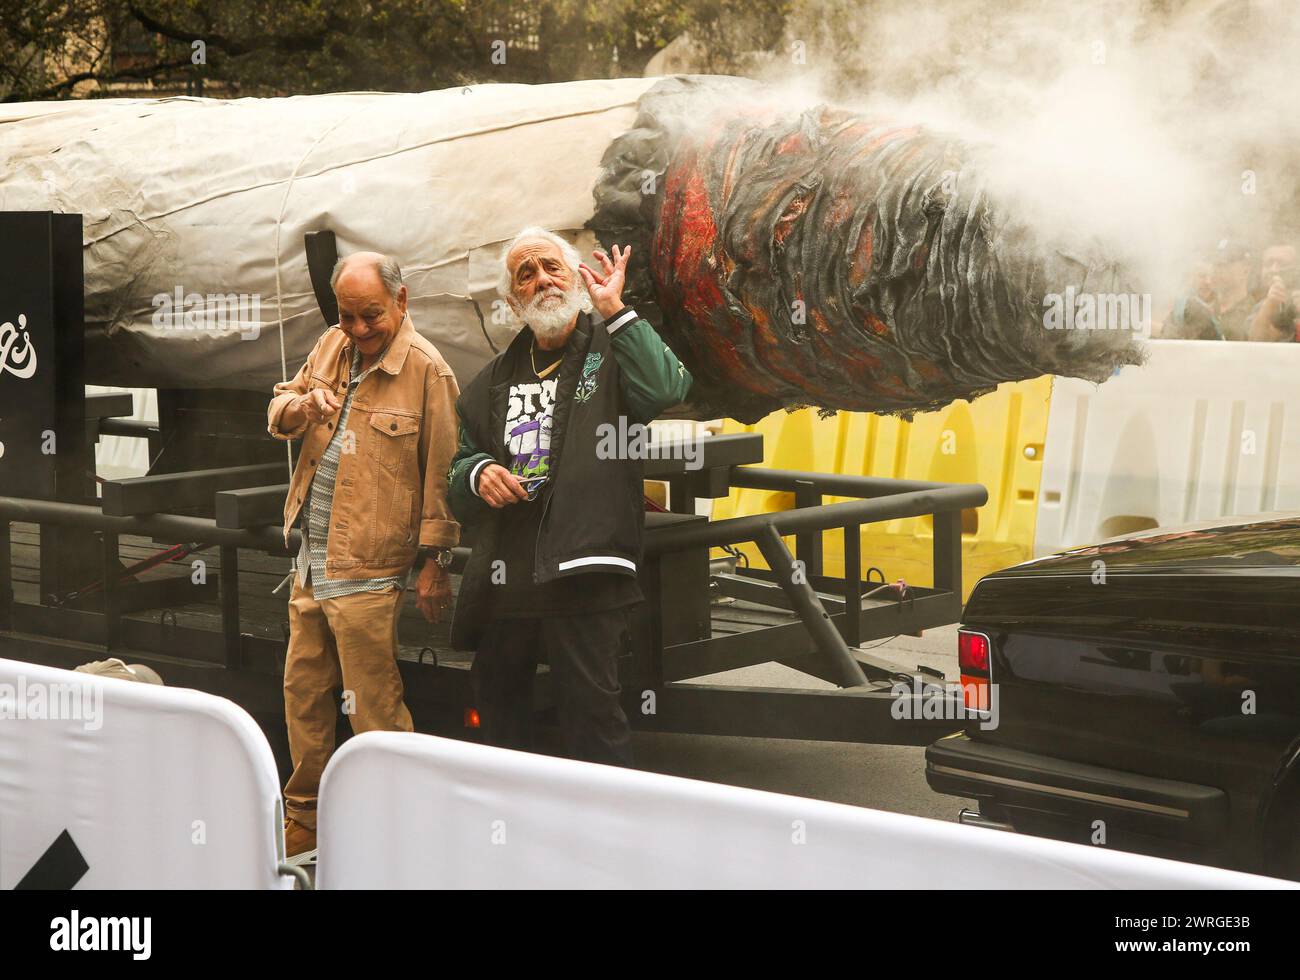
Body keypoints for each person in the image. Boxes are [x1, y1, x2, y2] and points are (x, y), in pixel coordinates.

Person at [447, 227, 692, 766]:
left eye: (551, 267)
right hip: (508, 571)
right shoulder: (491, 381)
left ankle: (603, 836)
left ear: (577, 277)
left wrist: (616, 310)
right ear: (513, 301)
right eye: (525, 274)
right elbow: (457, 473)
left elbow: (669, 388)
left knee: (591, 717)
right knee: (497, 708)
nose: (542, 281)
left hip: (587, 566)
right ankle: (510, 824)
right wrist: (478, 472)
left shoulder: (613, 353)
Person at [266, 251, 461, 864]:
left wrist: (435, 563)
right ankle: (306, 819)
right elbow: (279, 408)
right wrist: (302, 408)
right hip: (310, 559)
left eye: (370, 315)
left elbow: (442, 477)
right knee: (304, 693)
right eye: (347, 316)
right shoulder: (330, 345)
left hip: (371, 568)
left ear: (401, 302)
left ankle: (393, 825)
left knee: (372, 706)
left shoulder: (429, 372)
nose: (357, 329)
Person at [1247, 243, 1300, 341]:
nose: (1274, 270)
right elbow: (1256, 344)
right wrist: (1269, 305)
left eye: (1283, 264)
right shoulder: (1261, 308)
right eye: (1268, 264)